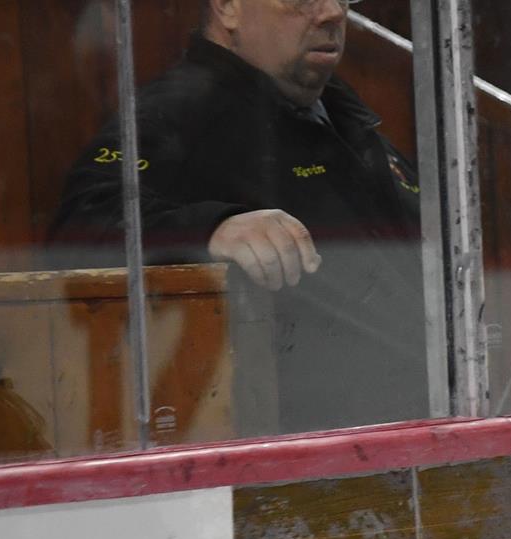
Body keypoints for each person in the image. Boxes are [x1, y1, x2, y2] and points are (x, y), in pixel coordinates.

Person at [48, 0, 427, 431]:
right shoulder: (179, 111)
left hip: (406, 438)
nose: (331, 13)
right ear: (228, 7)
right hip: (287, 459)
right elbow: (79, 228)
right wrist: (211, 230)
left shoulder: (343, 116)